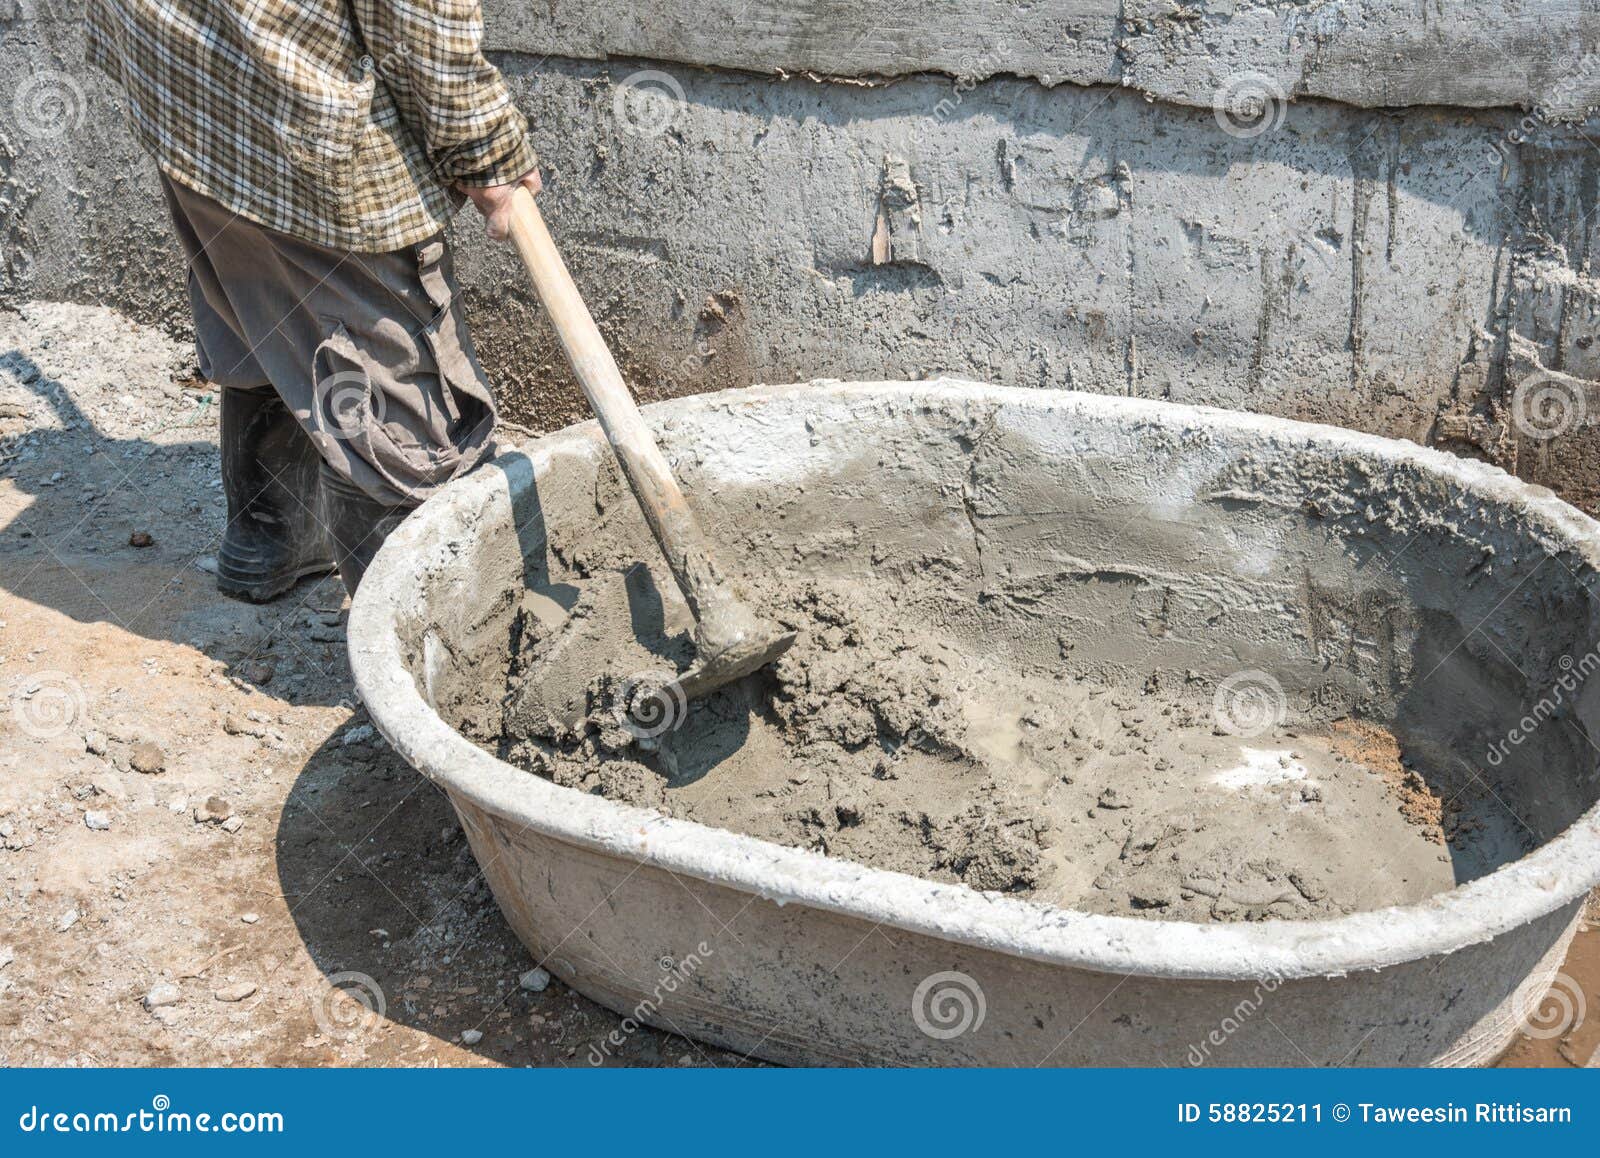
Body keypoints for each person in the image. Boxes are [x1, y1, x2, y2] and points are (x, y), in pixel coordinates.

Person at [85, 1, 541, 598]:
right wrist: (485, 148)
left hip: (178, 72)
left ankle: (273, 537)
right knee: (401, 416)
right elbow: (420, 21)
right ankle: (414, 645)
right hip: (298, 126)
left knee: (261, 307)